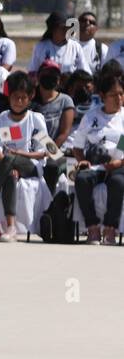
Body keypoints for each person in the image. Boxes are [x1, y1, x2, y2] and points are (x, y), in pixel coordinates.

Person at [0, 71, 49, 241]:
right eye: (15, 97)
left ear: (30, 97)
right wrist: (10, 164)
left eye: (23, 98)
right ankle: (11, 227)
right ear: (9, 96)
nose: (19, 101)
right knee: (10, 176)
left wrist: (20, 154)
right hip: (4, 166)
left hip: (31, 165)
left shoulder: (36, 119)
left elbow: (45, 152)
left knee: (9, 160)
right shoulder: (2, 120)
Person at [68, 72, 124, 245]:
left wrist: (119, 162)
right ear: (102, 96)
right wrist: (82, 160)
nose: (119, 98)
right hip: (95, 164)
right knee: (82, 179)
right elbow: (77, 146)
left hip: (119, 164)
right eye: (114, 95)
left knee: (118, 183)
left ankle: (110, 228)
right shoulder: (91, 116)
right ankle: (92, 227)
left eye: (122, 94)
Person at [30, 59, 75, 192]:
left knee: (51, 167)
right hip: (31, 149)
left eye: (54, 75)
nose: (50, 78)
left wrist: (48, 152)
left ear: (59, 79)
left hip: (55, 151)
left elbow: (64, 133)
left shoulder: (65, 100)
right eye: (46, 74)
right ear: (38, 77)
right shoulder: (30, 100)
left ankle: (49, 206)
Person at [78, 10, 107, 75]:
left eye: (92, 22)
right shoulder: (68, 46)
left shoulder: (102, 49)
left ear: (96, 28)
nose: (87, 23)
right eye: (83, 20)